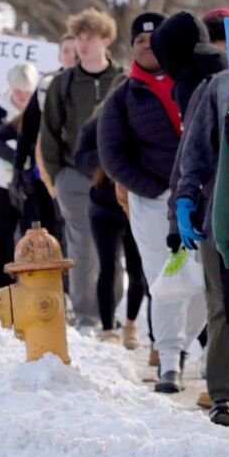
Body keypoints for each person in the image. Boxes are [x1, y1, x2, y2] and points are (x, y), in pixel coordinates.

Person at [97, 12, 211, 393]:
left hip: (197, 195)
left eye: (153, 39)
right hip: (151, 200)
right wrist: (151, 188)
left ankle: (183, 344)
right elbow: (112, 154)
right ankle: (167, 359)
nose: (147, 45)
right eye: (139, 41)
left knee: (200, 280)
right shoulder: (124, 96)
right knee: (164, 281)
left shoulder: (195, 82)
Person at [170, 11, 229, 427]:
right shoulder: (217, 86)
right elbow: (194, 153)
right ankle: (224, 392)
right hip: (219, 210)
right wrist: (184, 202)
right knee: (222, 307)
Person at [41, 9, 126, 326]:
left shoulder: (122, 79)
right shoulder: (62, 83)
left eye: (89, 37)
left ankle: (110, 312)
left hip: (115, 177)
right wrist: (58, 175)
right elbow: (48, 133)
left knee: (113, 251)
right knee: (82, 246)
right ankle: (87, 313)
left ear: (106, 39)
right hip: (74, 175)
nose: (82, 44)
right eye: (78, 37)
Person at [74, 115, 146, 347]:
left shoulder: (141, 122)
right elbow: (80, 160)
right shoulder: (96, 126)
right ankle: (107, 328)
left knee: (137, 268)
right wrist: (106, 150)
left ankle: (130, 324)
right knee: (108, 265)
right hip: (103, 206)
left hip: (136, 204)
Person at [0, 64, 41, 290]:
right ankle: (2, 288)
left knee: (32, 237)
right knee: (1, 238)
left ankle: (32, 285)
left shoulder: (39, 111)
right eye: (18, 91)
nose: (23, 96)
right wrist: (4, 170)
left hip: (30, 188)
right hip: (1, 185)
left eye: (27, 92)